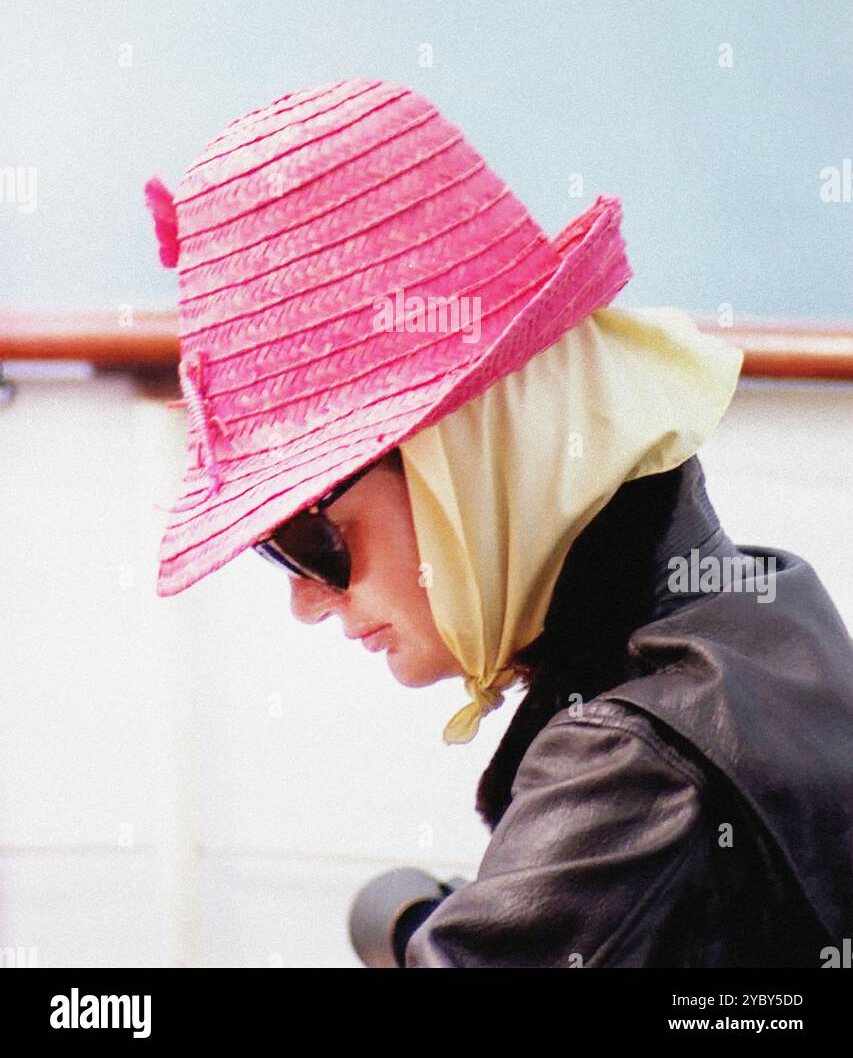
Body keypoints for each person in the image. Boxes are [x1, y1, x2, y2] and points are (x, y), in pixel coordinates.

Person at [144, 76, 853, 969]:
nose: (306, 602)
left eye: (307, 539)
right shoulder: (766, 608)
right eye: (269, 549)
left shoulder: (631, 774)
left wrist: (407, 932)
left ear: (464, 456)